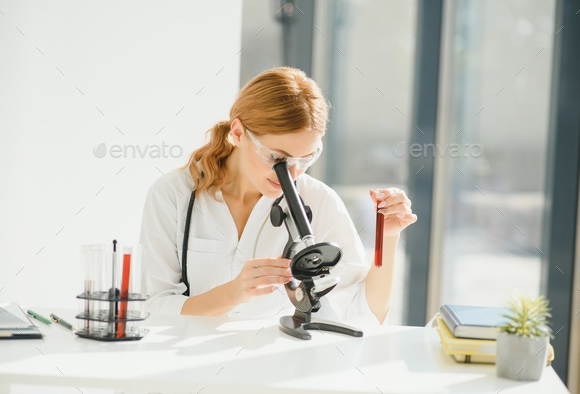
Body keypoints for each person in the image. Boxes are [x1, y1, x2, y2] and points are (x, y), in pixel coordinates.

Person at [139, 67, 417, 325]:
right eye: (277, 158)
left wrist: (388, 237)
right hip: (186, 371)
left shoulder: (317, 200)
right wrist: (233, 293)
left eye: (306, 158)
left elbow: (365, 314)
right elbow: (153, 308)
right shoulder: (173, 195)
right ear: (238, 133)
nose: (292, 173)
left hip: (277, 369)